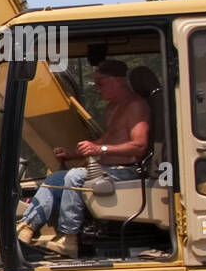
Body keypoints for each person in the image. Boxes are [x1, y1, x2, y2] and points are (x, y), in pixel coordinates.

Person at [16, 60, 150, 258]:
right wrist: (73, 153)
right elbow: (107, 140)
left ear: (116, 81)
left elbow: (140, 146)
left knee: (75, 177)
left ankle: (69, 239)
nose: (96, 88)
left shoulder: (136, 106)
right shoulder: (113, 108)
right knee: (55, 179)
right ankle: (26, 228)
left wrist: (99, 148)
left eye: (100, 83)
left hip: (127, 171)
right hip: (109, 170)